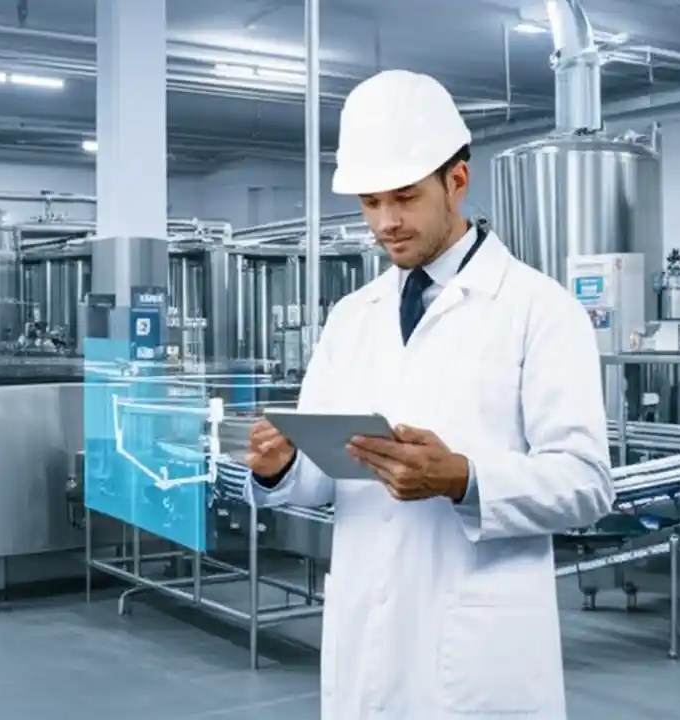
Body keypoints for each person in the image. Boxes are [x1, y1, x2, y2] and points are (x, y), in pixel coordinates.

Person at [245, 69, 614, 720]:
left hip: (478, 647)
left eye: (405, 197)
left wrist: (464, 479)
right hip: (367, 632)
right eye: (370, 202)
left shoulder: (540, 310)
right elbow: (323, 478)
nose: (386, 222)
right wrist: (280, 467)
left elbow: (586, 484)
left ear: (457, 181)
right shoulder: (351, 317)